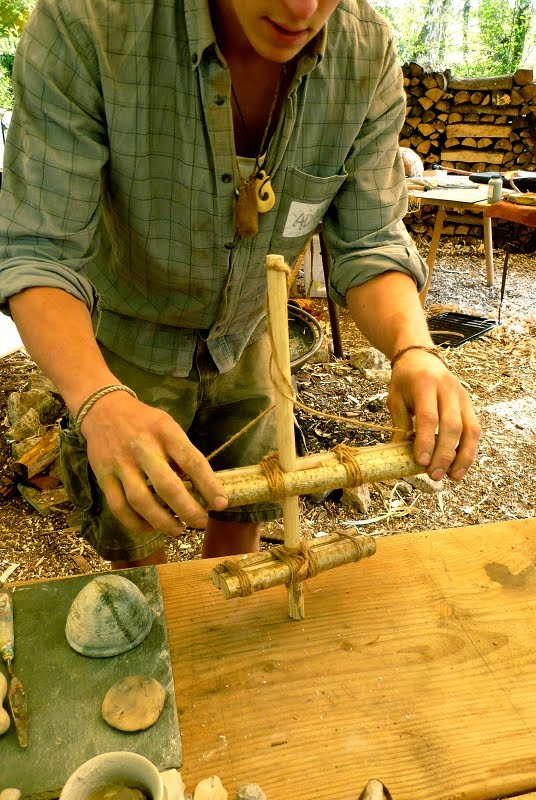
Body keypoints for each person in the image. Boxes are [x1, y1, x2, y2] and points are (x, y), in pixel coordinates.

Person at [0, 0, 480, 569]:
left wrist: (414, 351)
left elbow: (370, 240)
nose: (302, 8)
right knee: (138, 540)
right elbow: (38, 247)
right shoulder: (88, 25)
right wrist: (97, 397)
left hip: (254, 334)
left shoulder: (365, 53)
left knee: (245, 518)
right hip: (123, 343)